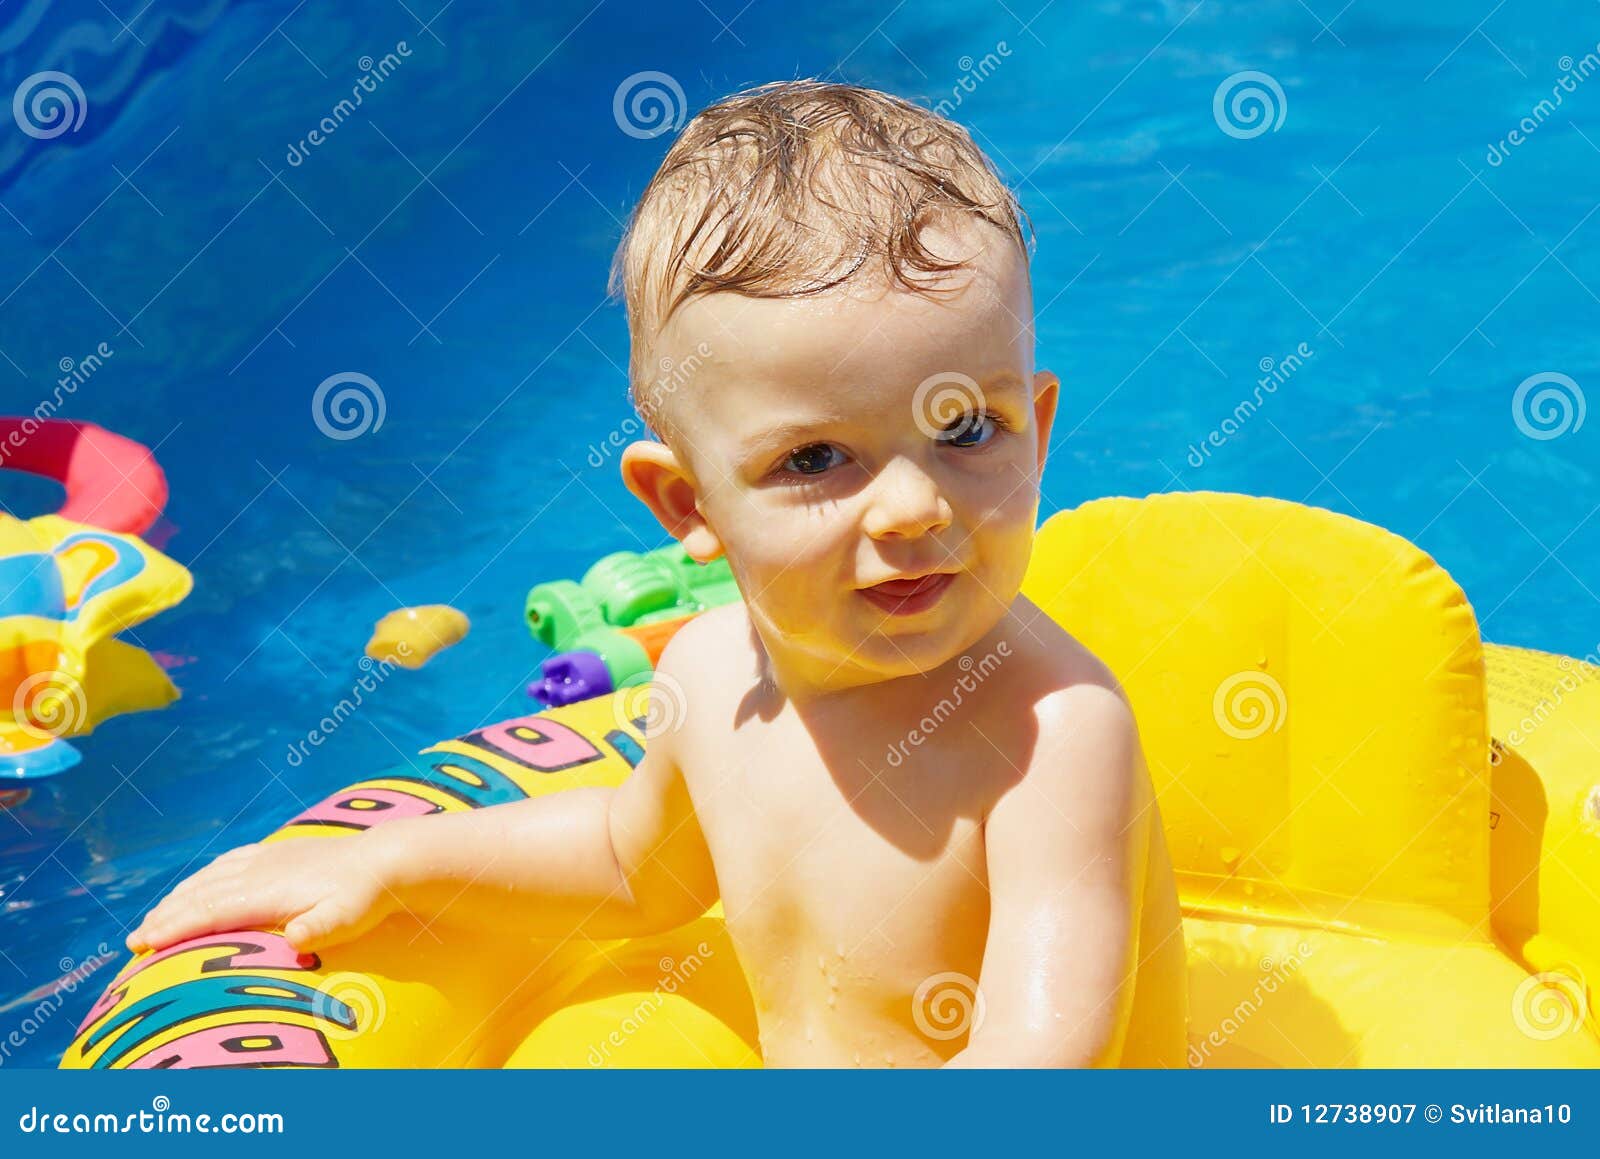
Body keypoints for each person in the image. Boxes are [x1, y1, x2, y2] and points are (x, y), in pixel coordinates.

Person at [128, 80, 1187, 1068]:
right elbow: (633, 865)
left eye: (967, 426)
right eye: (816, 458)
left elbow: (1041, 1066)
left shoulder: (1051, 738)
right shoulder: (712, 668)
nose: (916, 507)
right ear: (688, 506)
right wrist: (389, 863)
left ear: (1037, 430)